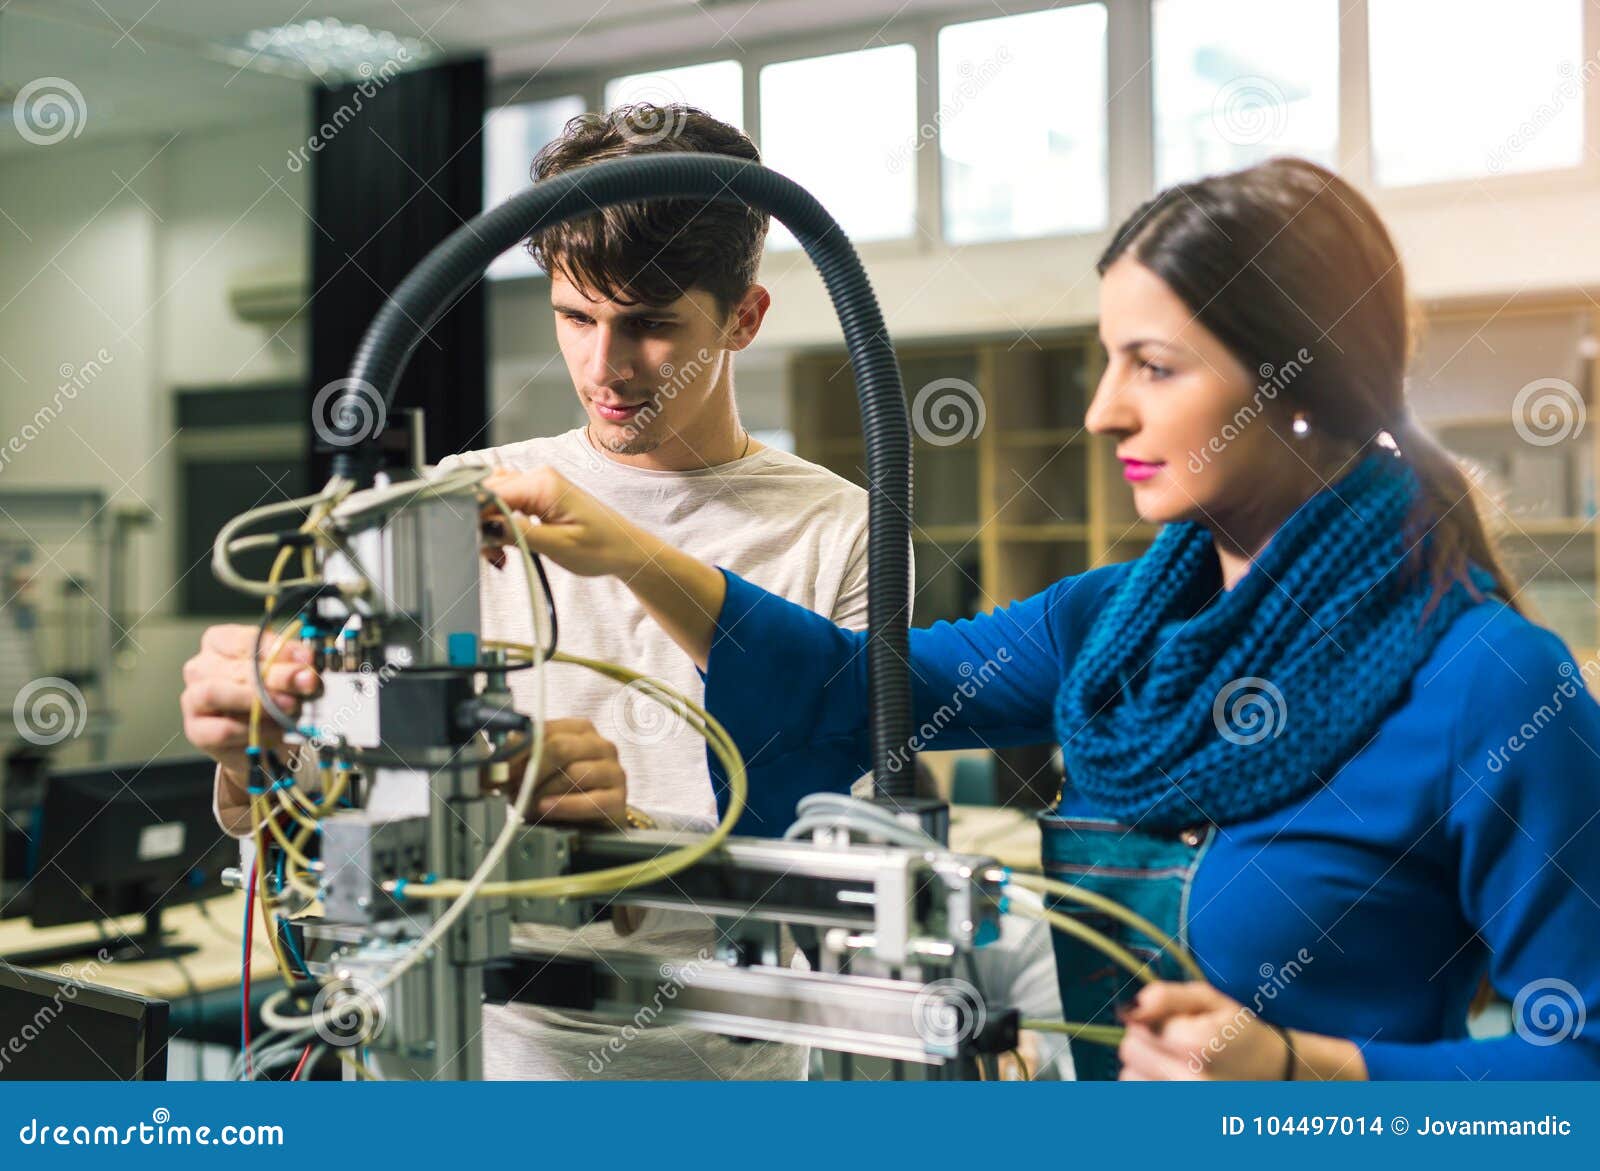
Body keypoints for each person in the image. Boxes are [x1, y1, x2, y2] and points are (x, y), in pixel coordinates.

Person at [483, 157, 1600, 1081]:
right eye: (1109, 359)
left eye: (1152, 367)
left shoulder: (1491, 683)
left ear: (1299, 382)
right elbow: (845, 693)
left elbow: (1581, 1064)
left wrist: (1299, 1067)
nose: (1102, 408)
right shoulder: (1110, 626)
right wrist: (627, 547)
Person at [180, 104, 875, 1081]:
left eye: (650, 326)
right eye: (575, 316)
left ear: (745, 317)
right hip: (462, 1054)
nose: (605, 367)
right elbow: (315, 810)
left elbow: (846, 885)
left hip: (712, 1077)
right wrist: (255, 742)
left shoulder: (837, 530)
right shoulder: (455, 500)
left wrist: (624, 841)